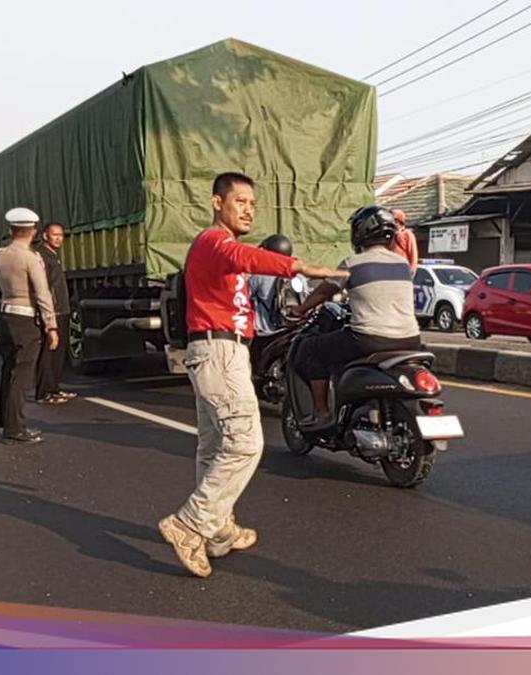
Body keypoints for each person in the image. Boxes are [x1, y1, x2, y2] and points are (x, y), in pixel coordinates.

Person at [157, 172, 345, 578]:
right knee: (245, 443)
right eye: (240, 201)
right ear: (217, 203)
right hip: (219, 351)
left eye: (252, 204)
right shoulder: (215, 241)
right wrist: (308, 268)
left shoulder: (223, 249)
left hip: (218, 351)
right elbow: (249, 259)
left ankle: (218, 530)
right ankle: (190, 524)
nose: (248, 209)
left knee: (213, 447)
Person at [292, 205, 422, 425]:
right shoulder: (401, 264)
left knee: (312, 350)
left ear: (361, 232)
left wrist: (300, 309)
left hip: (369, 339)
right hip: (411, 339)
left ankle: (321, 413)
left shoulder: (352, 263)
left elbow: (325, 290)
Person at [0, 207, 58, 445]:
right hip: (25, 320)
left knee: (8, 371)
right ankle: (16, 428)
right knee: (21, 376)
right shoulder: (31, 258)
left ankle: (7, 422)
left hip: (4, 316)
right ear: (33, 231)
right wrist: (52, 326)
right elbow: (42, 293)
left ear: (11, 230)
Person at [34, 222, 74, 405]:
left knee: (58, 352)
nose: (58, 238)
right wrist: (48, 313)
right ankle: (44, 392)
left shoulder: (53, 256)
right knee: (49, 351)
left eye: (61, 235)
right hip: (53, 310)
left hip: (61, 309)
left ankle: (54, 388)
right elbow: (43, 287)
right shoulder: (42, 256)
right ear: (45, 236)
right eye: (54, 235)